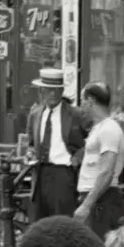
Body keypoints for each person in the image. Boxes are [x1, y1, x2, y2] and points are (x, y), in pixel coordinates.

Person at [75, 81, 124, 247]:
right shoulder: (102, 128)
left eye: (84, 101)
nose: (82, 107)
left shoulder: (109, 129)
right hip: (98, 197)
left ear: (90, 101)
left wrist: (87, 203)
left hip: (101, 199)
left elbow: (106, 170)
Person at [26, 68, 86, 220]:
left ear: (62, 90)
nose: (53, 94)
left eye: (57, 90)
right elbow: (31, 143)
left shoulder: (75, 114)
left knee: (63, 221)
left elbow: (95, 138)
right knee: (41, 222)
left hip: (64, 174)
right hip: (40, 174)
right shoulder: (35, 114)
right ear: (41, 91)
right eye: (49, 90)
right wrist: (30, 153)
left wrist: (78, 156)